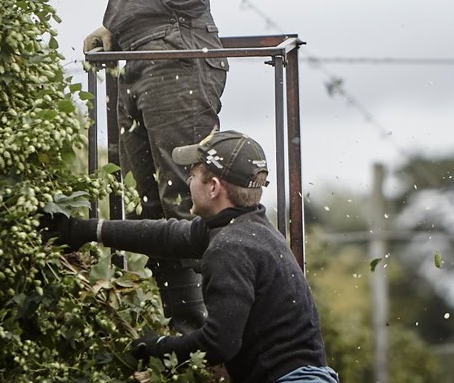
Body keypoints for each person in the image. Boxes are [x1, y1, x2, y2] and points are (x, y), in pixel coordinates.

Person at [79, 0, 251, 332]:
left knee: (192, 194)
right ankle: (186, 332)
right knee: (145, 202)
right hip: (141, 55)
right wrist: (113, 21)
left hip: (179, 48)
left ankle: (226, 336)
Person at [42, 131, 340, 383]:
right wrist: (88, 229)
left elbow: (218, 343)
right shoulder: (246, 227)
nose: (188, 180)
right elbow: (168, 236)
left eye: (194, 174)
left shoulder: (231, 247)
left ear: (213, 187)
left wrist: (155, 347)